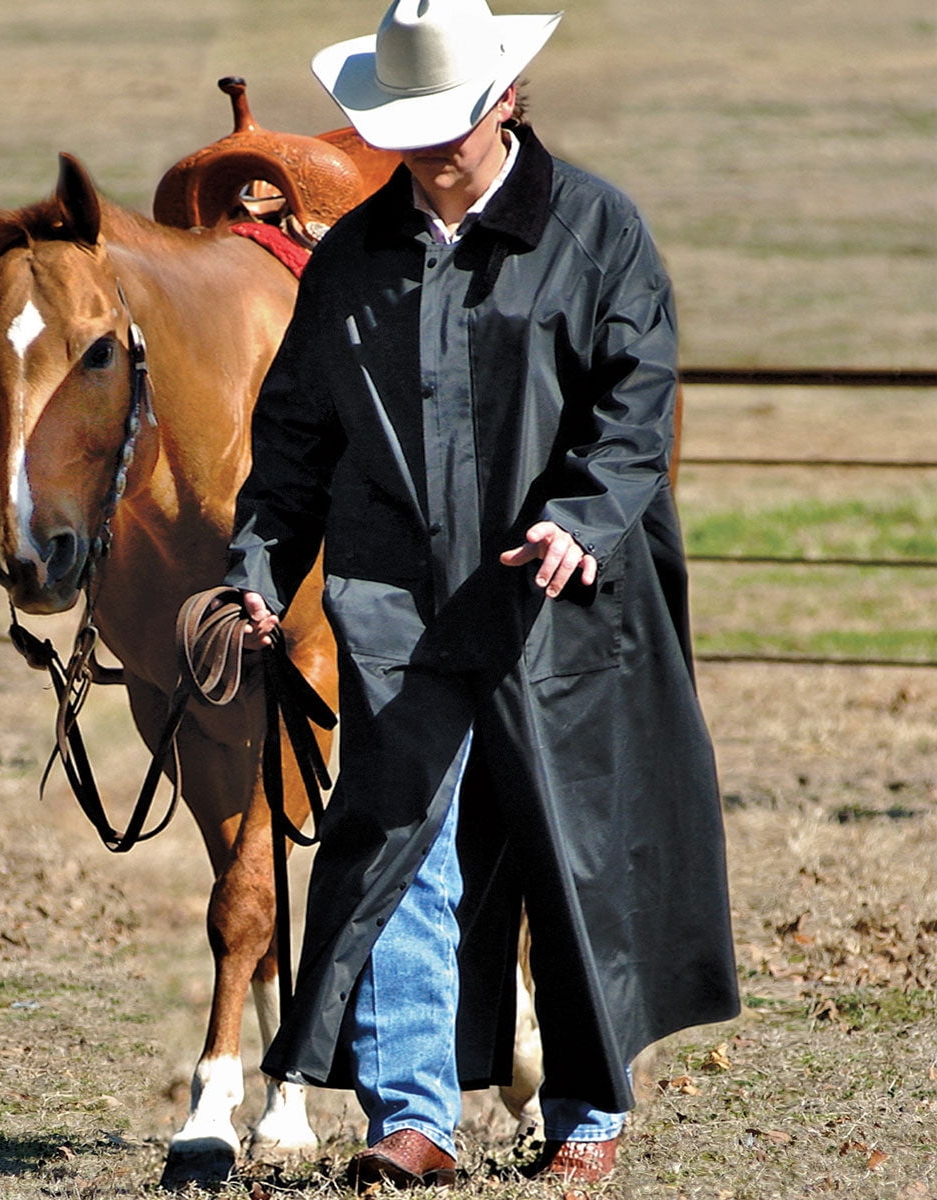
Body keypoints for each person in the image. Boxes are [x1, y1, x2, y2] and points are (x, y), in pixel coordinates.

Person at [223, 0, 741, 1186]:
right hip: (394, 597)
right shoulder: (352, 260)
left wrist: (580, 520)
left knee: (573, 852)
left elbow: (634, 404)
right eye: (409, 129)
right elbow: (295, 437)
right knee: (404, 843)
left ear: (506, 97)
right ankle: (413, 1120)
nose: (432, 147)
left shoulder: (598, 231)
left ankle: (585, 1116)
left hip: (556, 600)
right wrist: (256, 566)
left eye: (450, 122)